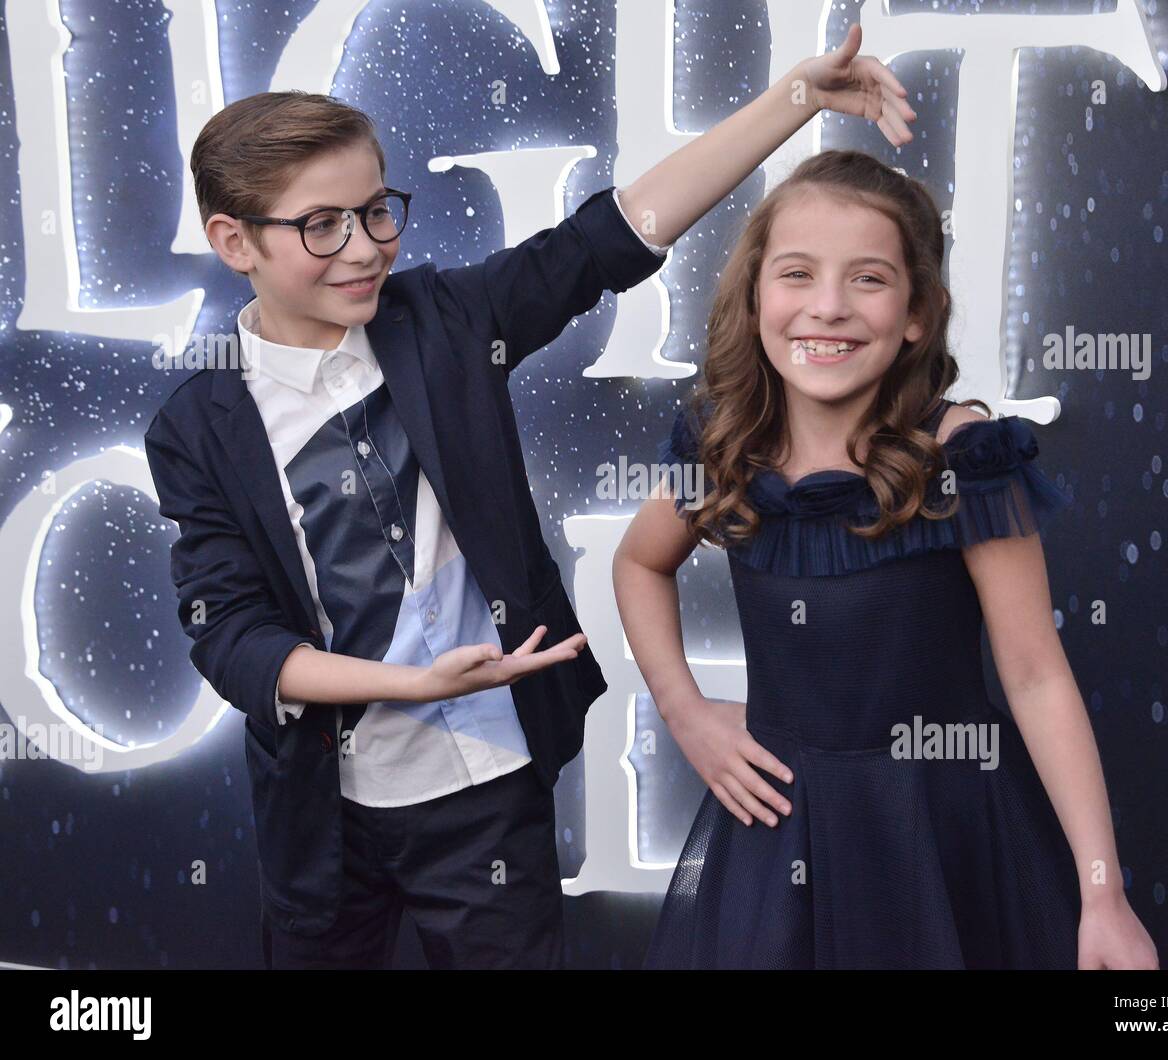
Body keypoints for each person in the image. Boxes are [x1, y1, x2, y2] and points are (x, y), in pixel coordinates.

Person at [144, 26, 917, 967]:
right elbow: (232, 637)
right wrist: (408, 685)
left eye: (377, 210)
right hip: (321, 819)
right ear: (234, 241)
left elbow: (617, 231)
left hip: (488, 791)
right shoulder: (198, 426)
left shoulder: (446, 322)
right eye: (321, 226)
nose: (364, 247)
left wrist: (797, 97)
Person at [613, 148, 1160, 969]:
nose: (827, 307)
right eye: (797, 275)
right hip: (777, 829)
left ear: (916, 313)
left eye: (867, 279)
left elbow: (1035, 673)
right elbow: (637, 564)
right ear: (757, 294)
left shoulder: (965, 459)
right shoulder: (724, 444)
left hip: (942, 826)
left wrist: (1102, 893)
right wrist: (684, 710)